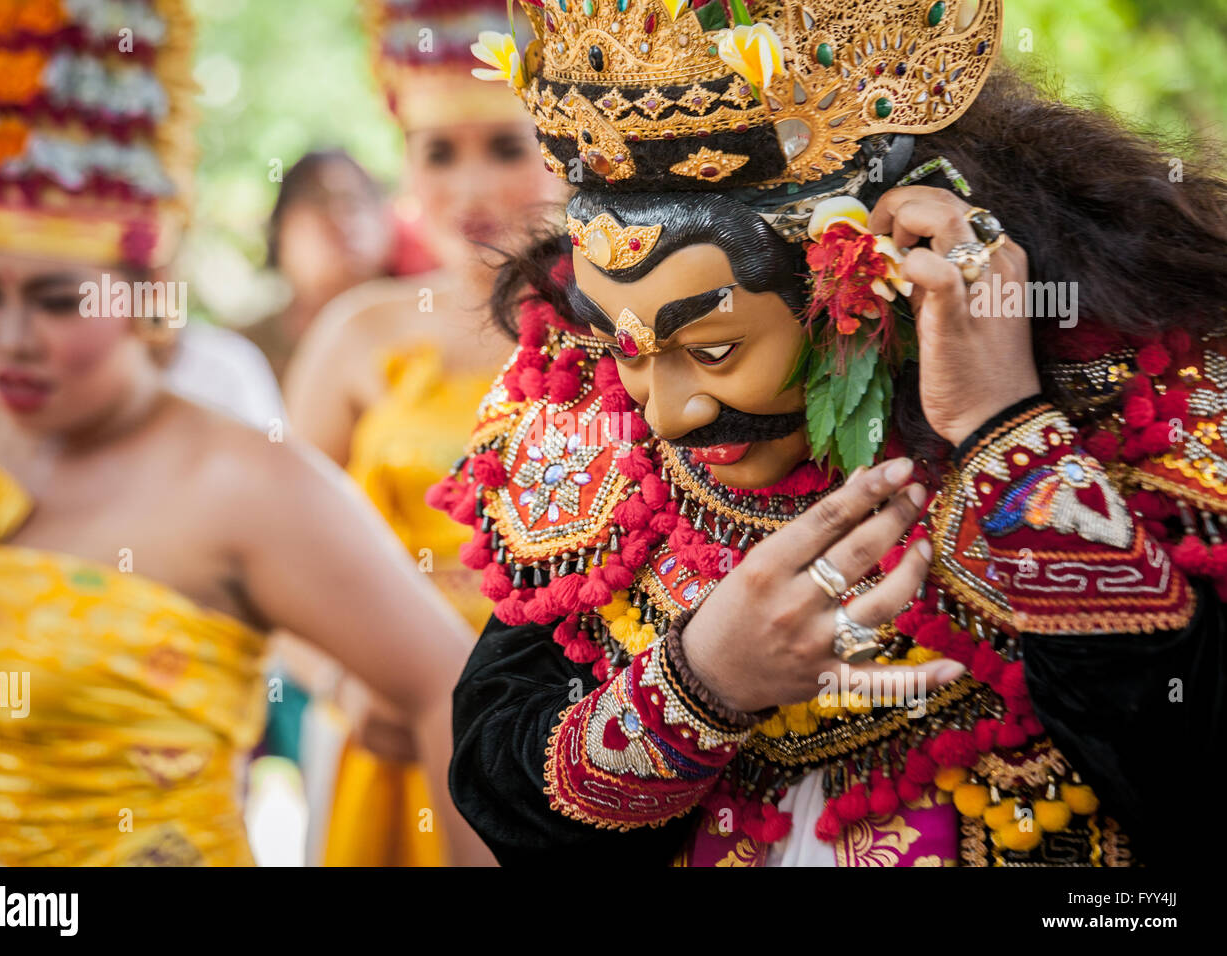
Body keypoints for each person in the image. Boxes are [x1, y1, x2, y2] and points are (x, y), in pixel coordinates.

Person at [437, 0, 1227, 867]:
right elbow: (501, 791)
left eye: (715, 348)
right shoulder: (592, 411)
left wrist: (1006, 432)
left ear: (862, 273)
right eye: (629, 347)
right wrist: (701, 683)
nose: (667, 411)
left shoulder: (1137, 396)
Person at [0, 0, 491, 866]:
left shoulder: (246, 480)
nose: (8, 342)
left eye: (55, 301)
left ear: (144, 280)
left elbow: (447, 686)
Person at [283, 0, 568, 866]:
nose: (470, 189)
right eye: (439, 152)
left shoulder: (621, 327)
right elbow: (270, 563)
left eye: (506, 147)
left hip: (569, 733)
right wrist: (350, 679)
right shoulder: (358, 334)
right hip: (387, 733)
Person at [246, 150, 436, 380]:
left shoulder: (430, 326)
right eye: (318, 201)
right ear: (280, 232)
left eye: (356, 200)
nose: (342, 216)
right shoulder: (246, 351)